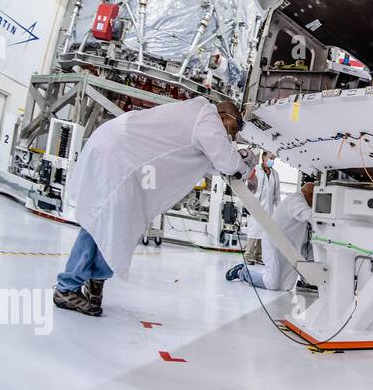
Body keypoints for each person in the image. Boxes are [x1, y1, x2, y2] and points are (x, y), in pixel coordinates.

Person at [53, 97, 253, 316]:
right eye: (233, 129)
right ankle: (67, 287)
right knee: (100, 221)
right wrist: (246, 168)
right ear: (225, 115)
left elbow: (212, 163)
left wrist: (240, 160)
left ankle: (95, 280)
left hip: (120, 154)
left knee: (117, 225)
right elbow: (226, 162)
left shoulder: (198, 115)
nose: (231, 136)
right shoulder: (208, 120)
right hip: (118, 156)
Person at [227, 177, 313, 291]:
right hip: (275, 245)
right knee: (272, 285)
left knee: (286, 286)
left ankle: (307, 281)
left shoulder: (303, 201)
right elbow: (307, 214)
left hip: (288, 247)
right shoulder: (295, 199)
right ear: (310, 195)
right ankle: (242, 271)